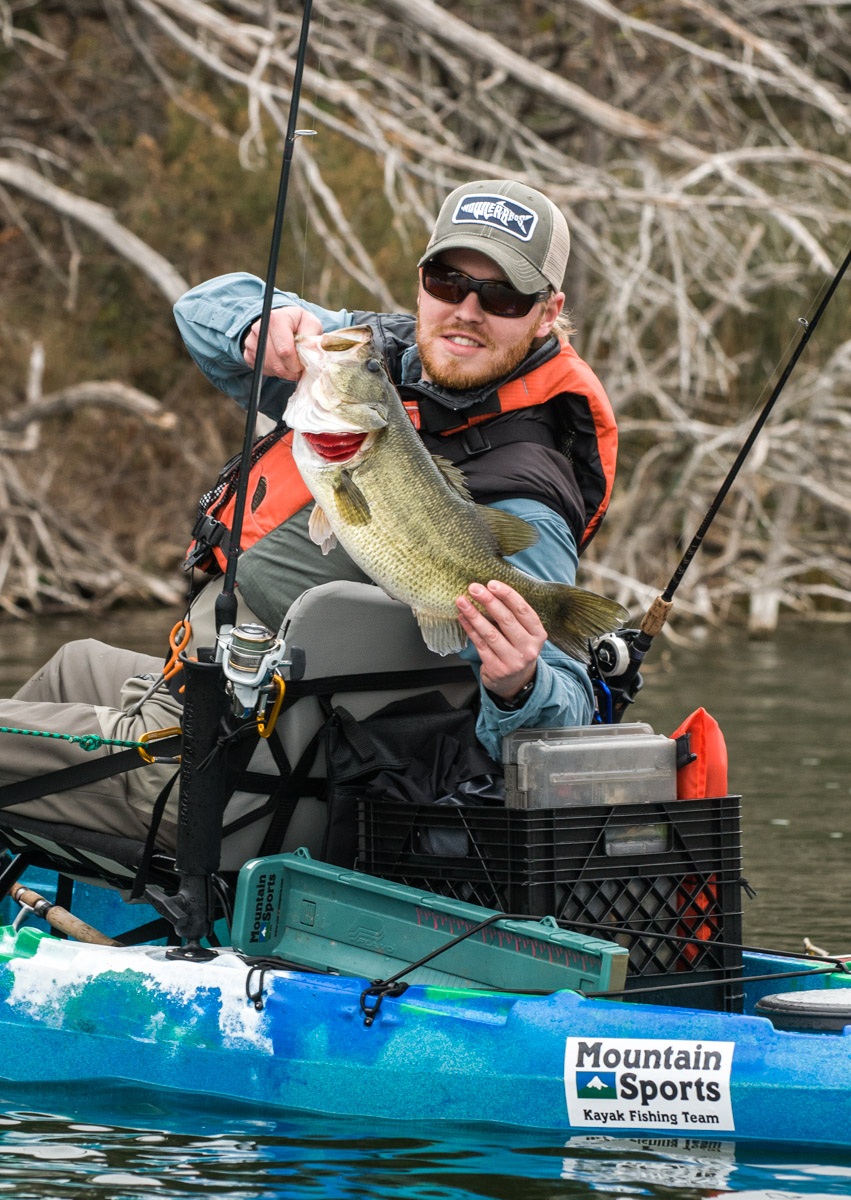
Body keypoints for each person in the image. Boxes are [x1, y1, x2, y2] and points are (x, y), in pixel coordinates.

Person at [0, 178, 617, 855]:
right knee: (72, 663)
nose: (466, 309)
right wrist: (257, 325)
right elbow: (202, 309)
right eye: (447, 281)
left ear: (545, 312)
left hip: (235, 777)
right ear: (421, 281)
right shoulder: (370, 377)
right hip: (215, 695)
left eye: (501, 295)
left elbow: (567, 711)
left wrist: (518, 684)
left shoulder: (523, 489)